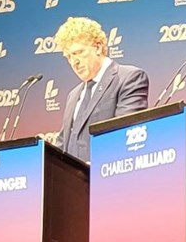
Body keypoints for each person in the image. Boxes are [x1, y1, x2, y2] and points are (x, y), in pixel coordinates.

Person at [53, 16, 150, 163]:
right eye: (69, 57)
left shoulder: (128, 78)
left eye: (78, 52)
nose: (74, 62)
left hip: (108, 178)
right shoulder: (73, 95)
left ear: (98, 47)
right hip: (70, 182)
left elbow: (126, 135)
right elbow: (61, 146)